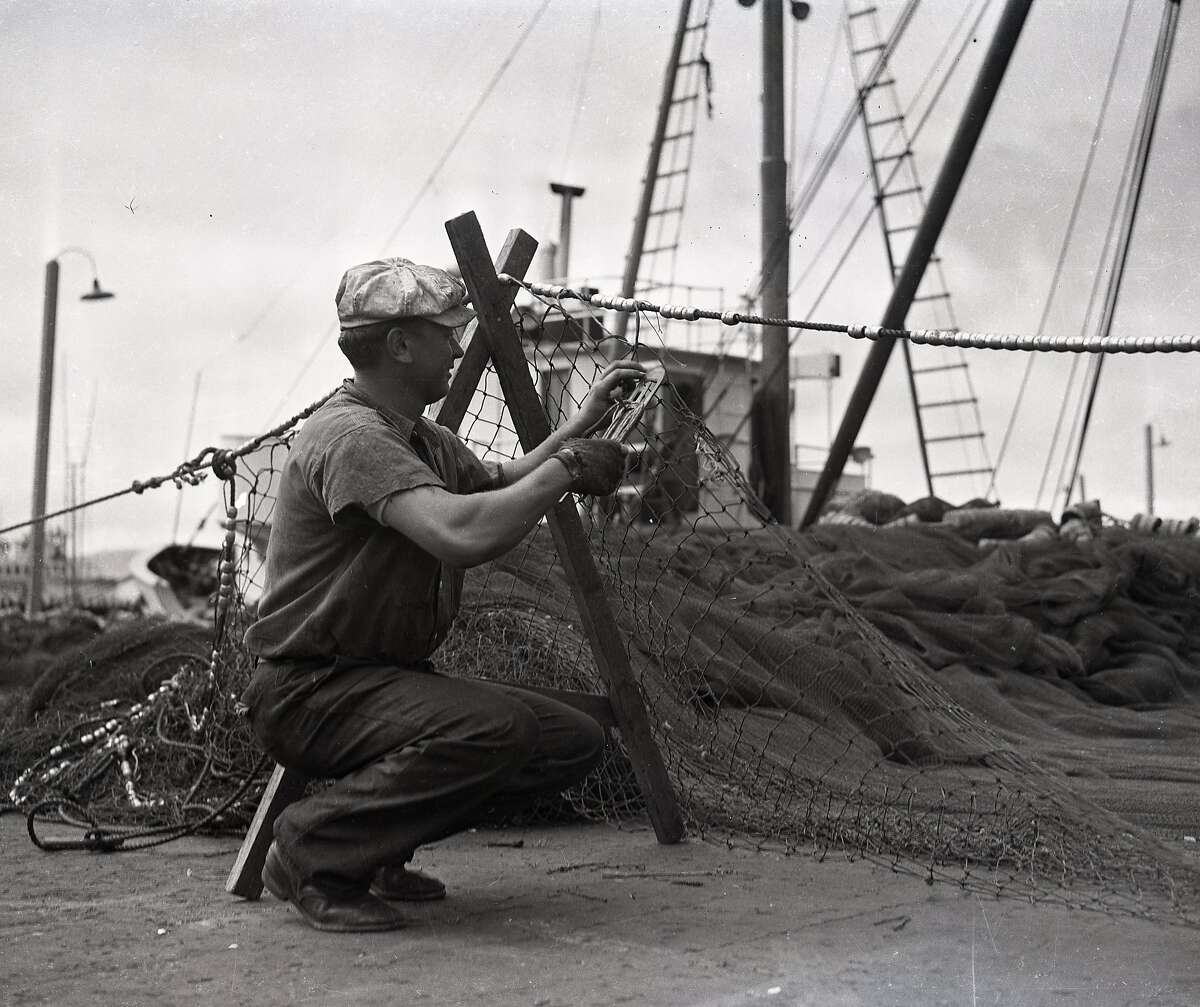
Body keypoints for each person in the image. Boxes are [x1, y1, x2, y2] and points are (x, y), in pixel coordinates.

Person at [241, 257, 644, 932]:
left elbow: (501, 480)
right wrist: (571, 471)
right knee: (496, 729)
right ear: (399, 344)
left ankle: (376, 845)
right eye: (444, 332)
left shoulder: (417, 436)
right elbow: (462, 532)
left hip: (372, 683)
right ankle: (314, 850)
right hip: (311, 691)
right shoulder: (352, 437)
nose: (459, 346)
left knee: (570, 740)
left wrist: (586, 422)